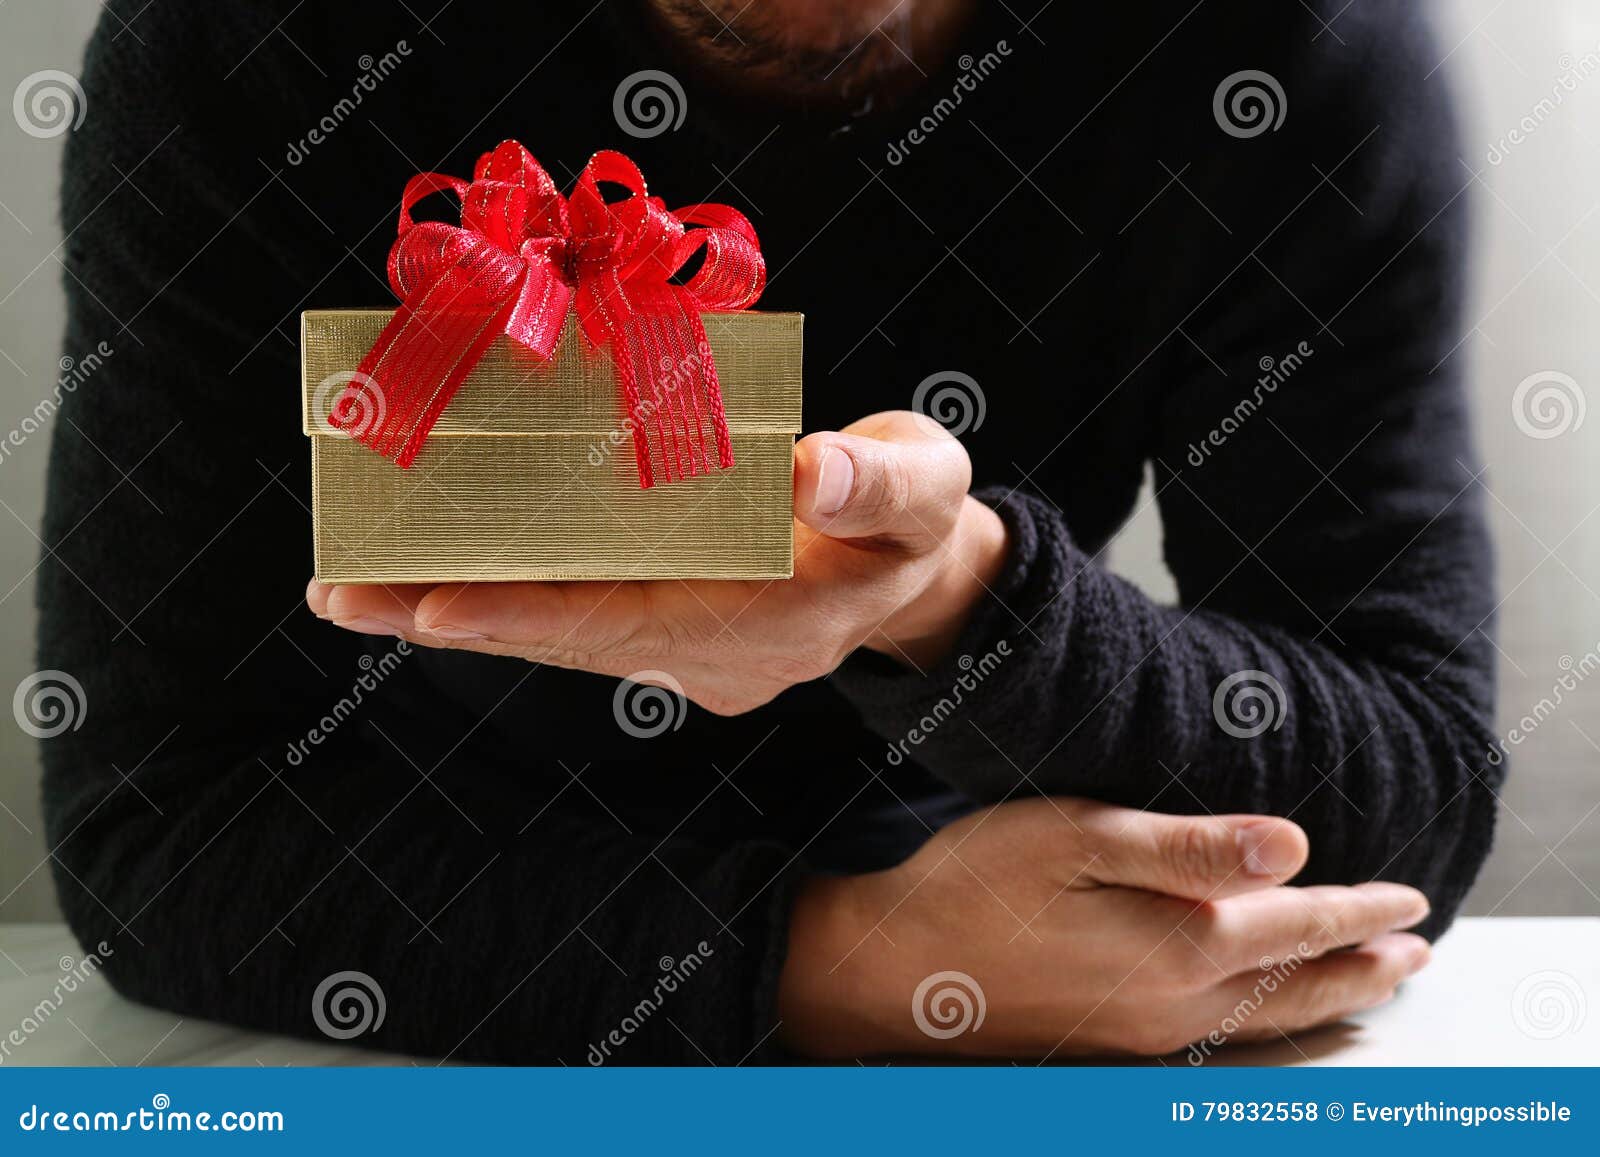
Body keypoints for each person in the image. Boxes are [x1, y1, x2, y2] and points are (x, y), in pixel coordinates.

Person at [38, 0, 1495, 1062]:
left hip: (1031, 946)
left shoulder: (1289, 49)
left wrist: (957, 594)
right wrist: (847, 960)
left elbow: (1412, 781)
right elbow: (157, 825)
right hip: (450, 976)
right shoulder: (253, 43)